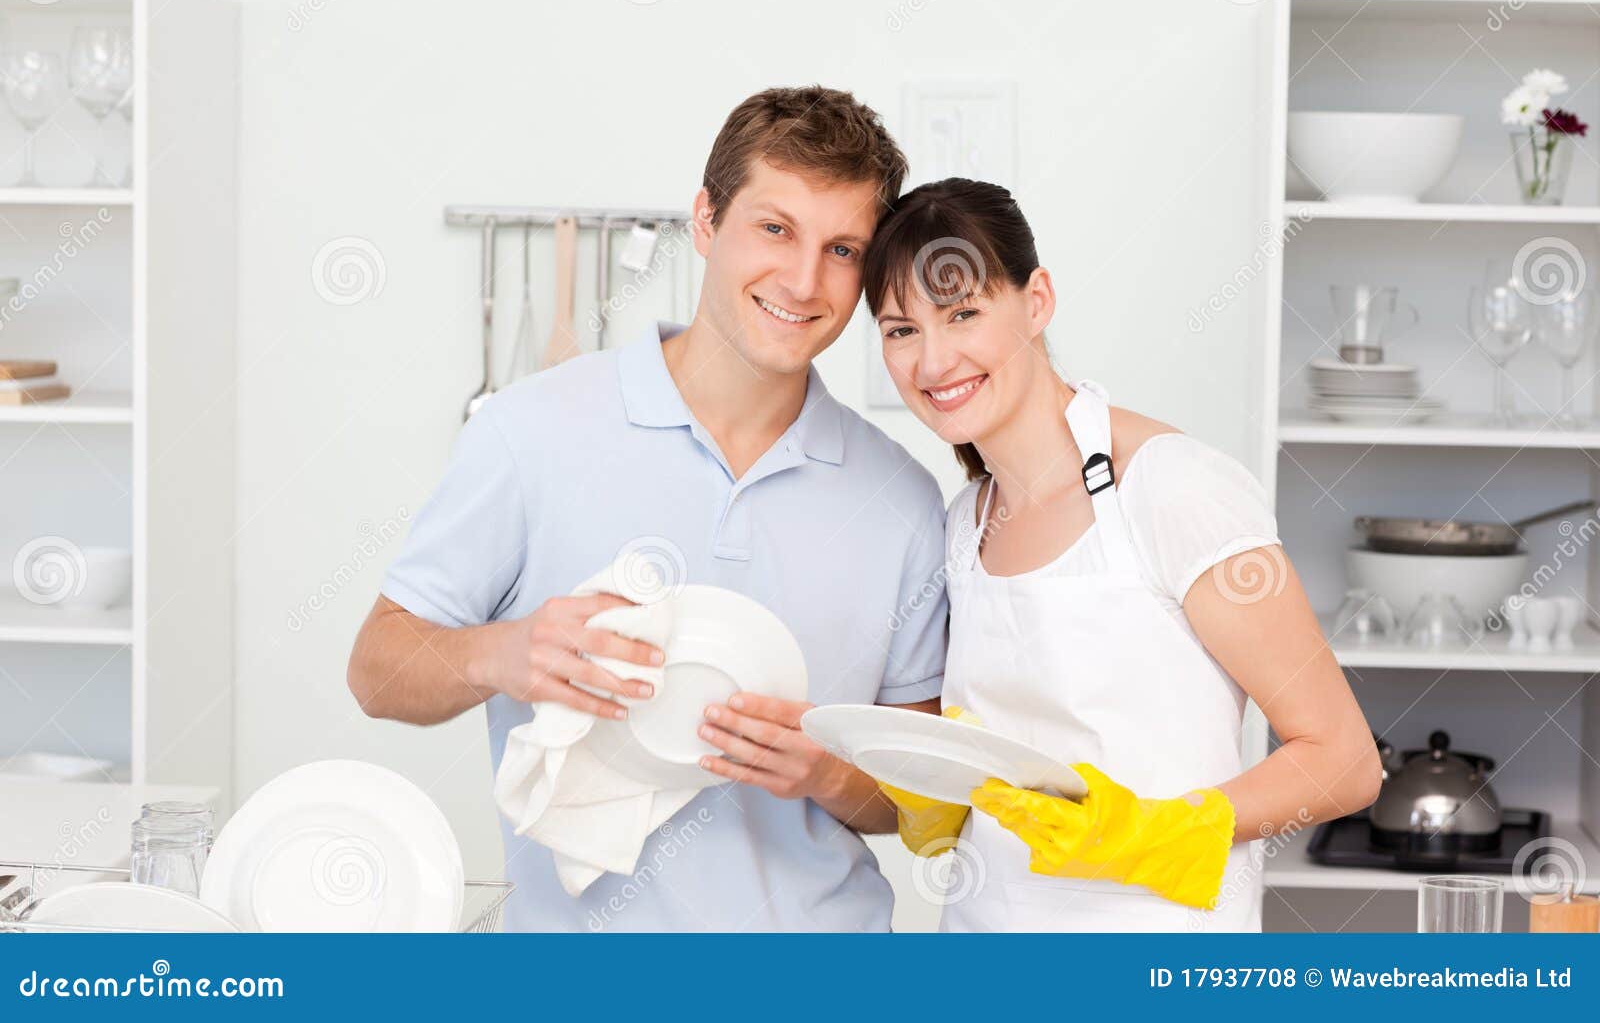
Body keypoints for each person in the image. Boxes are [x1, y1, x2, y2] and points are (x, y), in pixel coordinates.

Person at [348, 87, 949, 931]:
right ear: (705, 220)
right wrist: (503, 652)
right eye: (774, 229)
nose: (804, 279)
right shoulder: (530, 430)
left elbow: (923, 798)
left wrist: (827, 774)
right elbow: (378, 667)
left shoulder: (903, 500)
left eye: (842, 248)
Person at [864, 178, 1381, 931]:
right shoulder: (963, 525)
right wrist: (929, 787)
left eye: (964, 313)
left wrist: (1155, 832)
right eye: (900, 329)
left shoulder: (1172, 487)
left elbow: (1344, 758)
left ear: (1036, 300)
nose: (933, 359)